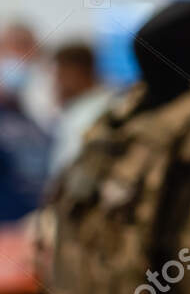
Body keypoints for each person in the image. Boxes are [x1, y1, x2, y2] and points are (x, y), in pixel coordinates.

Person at [0, 23, 49, 223]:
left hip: (28, 226)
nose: (24, 60)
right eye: (17, 49)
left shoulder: (32, 117)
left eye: (30, 54)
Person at [48, 42, 112, 176]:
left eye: (60, 75)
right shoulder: (78, 108)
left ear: (76, 73)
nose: (56, 83)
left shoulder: (95, 113)